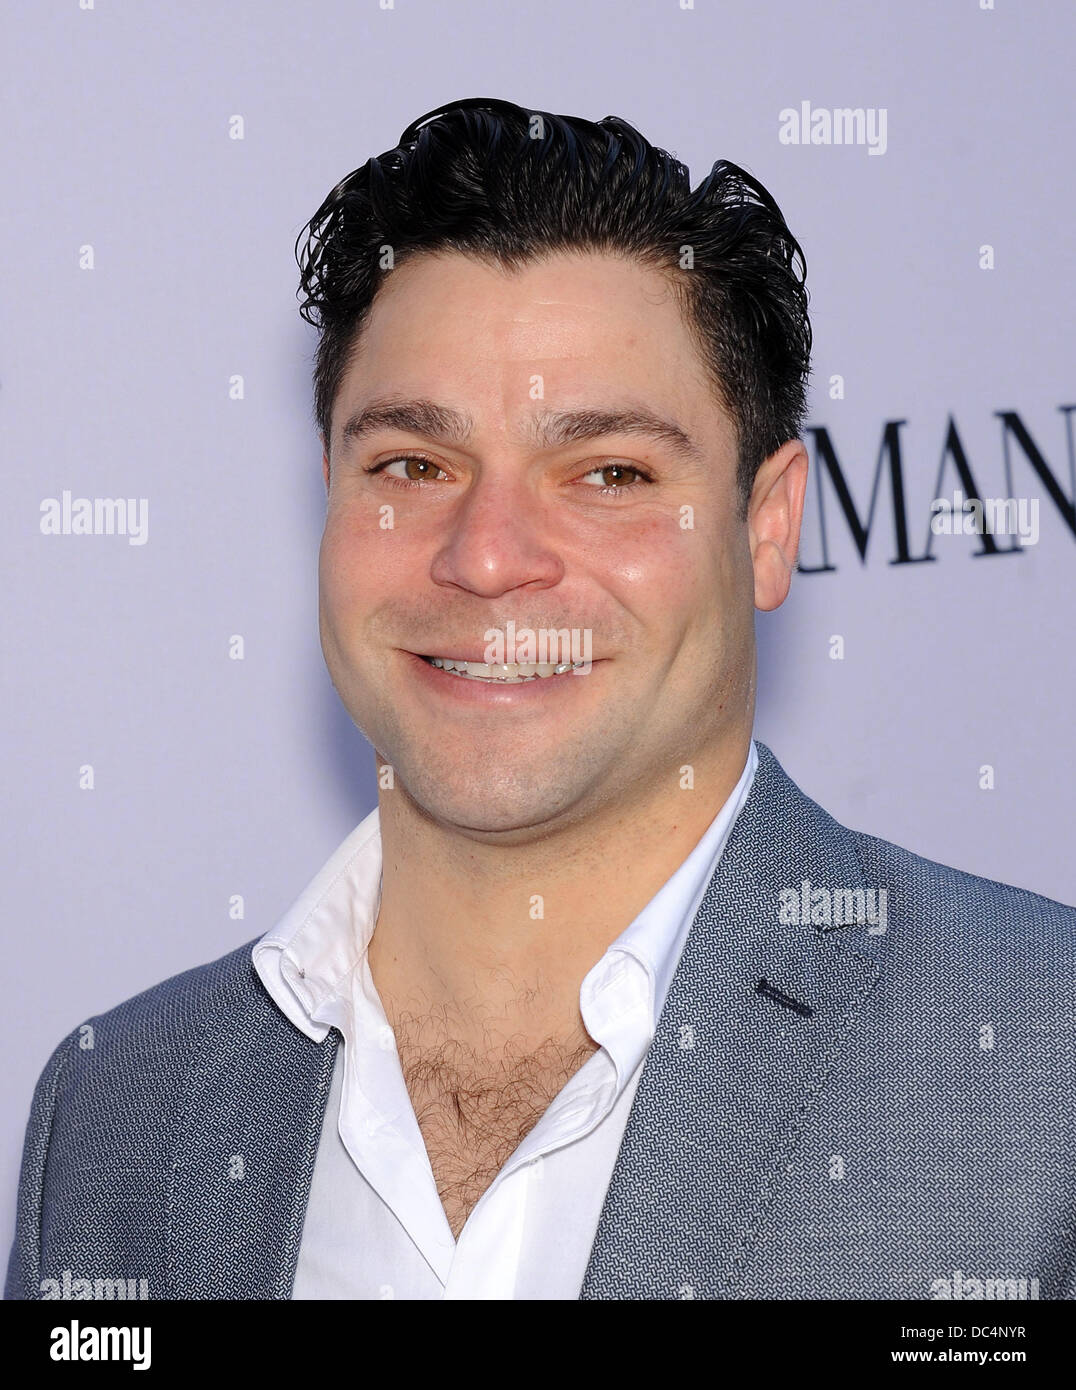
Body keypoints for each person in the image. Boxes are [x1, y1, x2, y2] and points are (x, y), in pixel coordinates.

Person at [7, 98, 1074, 1302]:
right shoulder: (111, 1114)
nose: (487, 553)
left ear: (766, 526)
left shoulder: (1044, 1065)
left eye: (608, 473)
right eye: (412, 464)